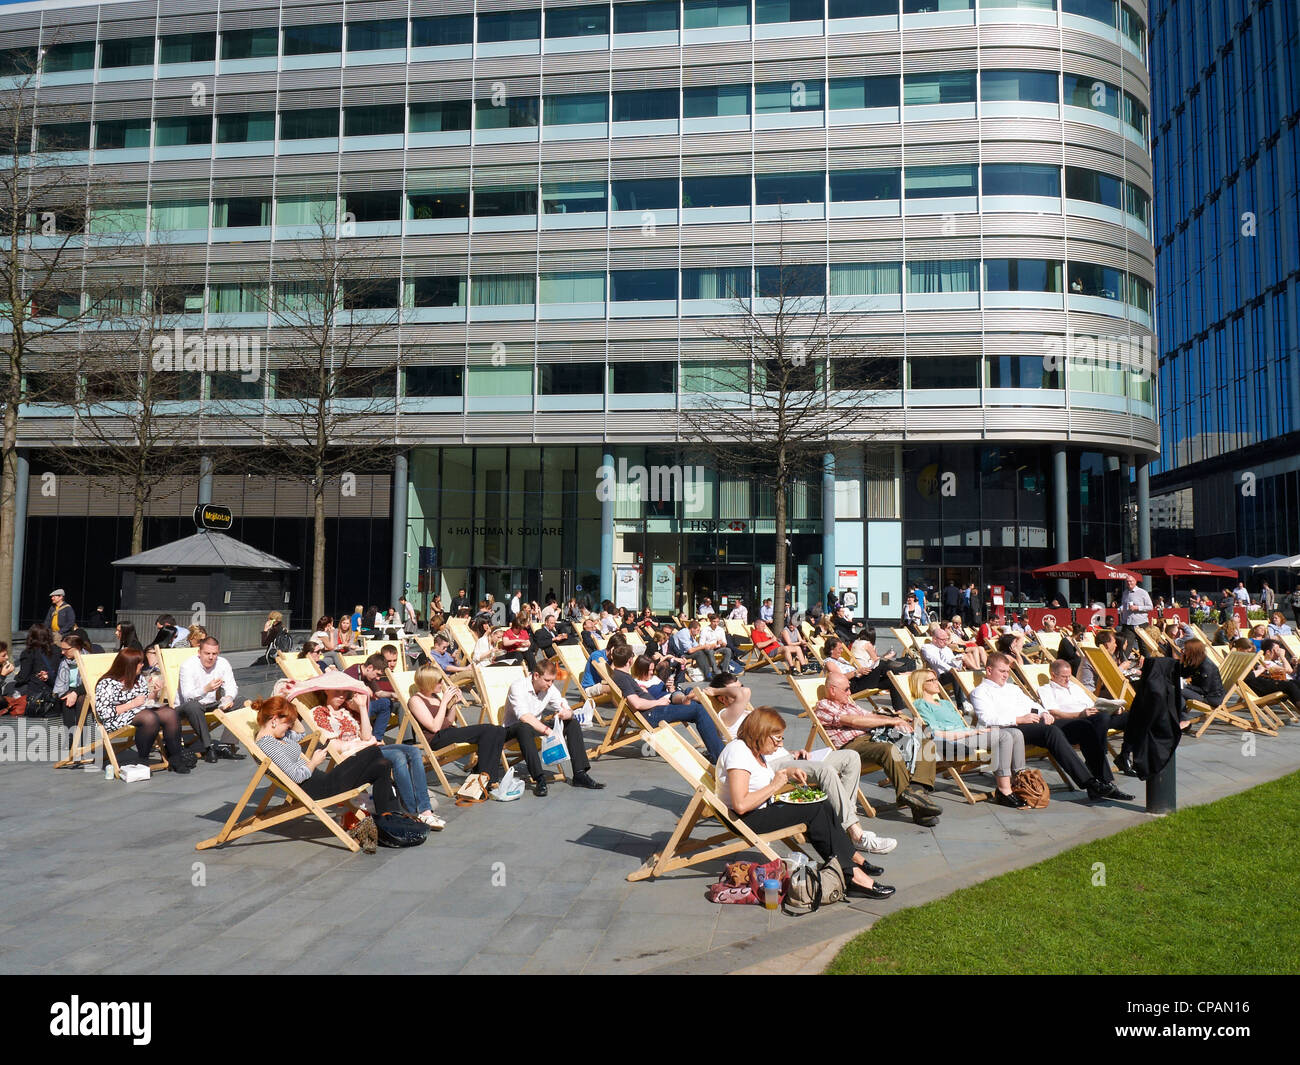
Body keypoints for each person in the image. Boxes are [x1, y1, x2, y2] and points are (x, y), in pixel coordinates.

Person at [718, 709, 894, 899]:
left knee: (822, 803)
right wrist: (776, 784)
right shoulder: (739, 754)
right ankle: (854, 875)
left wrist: (788, 771)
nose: (780, 745)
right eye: (777, 739)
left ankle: (851, 861)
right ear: (760, 733)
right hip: (746, 819)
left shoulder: (753, 750)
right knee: (815, 810)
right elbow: (741, 804)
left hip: (759, 810)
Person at [252, 696, 402, 852]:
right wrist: (314, 762)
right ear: (274, 719)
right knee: (372, 751)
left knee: (383, 765)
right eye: (288, 724)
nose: (289, 728)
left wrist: (288, 704)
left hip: (324, 780)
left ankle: (387, 817)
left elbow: (300, 733)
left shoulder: (279, 736)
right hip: (321, 788)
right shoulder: (267, 744)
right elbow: (295, 776)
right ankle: (387, 820)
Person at [970, 653, 1124, 801]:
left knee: (1084, 726)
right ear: (989, 670)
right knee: (1051, 731)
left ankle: (1105, 781)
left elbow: (1032, 704)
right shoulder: (980, 692)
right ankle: (1090, 783)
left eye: (1007, 671)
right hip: (1011, 729)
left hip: (1034, 724)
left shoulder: (1012, 688)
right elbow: (987, 718)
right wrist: (1020, 718)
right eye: (1002, 671)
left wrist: (1044, 713)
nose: (1006, 675)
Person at [308, 682, 444, 829]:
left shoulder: (347, 711)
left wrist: (361, 707)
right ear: (326, 690)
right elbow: (335, 746)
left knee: (414, 751)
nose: (341, 696)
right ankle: (413, 811)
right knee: (398, 756)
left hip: (369, 748)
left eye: (343, 692)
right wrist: (365, 744)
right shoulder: (319, 713)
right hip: (357, 755)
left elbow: (367, 736)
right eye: (337, 692)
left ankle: (424, 810)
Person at [813, 668, 941, 823]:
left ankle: (916, 790)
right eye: (846, 689)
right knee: (888, 750)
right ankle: (917, 806)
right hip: (852, 747)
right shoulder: (823, 707)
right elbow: (853, 721)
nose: (849, 693)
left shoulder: (849, 704)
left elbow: (871, 716)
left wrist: (898, 721)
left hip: (873, 738)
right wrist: (891, 721)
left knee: (925, 744)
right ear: (832, 690)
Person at [910, 669, 1027, 808]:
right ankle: (1004, 790)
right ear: (921, 684)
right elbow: (935, 733)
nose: (937, 683)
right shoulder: (921, 704)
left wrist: (973, 732)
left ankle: (1021, 781)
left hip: (968, 734)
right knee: (1004, 736)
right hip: (954, 741)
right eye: (932, 680)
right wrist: (971, 733)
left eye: (936, 679)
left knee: (1015, 732)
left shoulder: (946, 703)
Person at [503, 659, 603, 795]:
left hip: (536, 726)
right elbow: (524, 716)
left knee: (572, 723)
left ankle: (580, 773)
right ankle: (539, 779)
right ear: (536, 676)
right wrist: (547, 730)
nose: (550, 684)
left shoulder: (548, 687)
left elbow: (561, 703)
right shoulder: (518, 687)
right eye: (547, 680)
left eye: (552, 681)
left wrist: (567, 713)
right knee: (524, 727)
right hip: (513, 729)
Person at [607, 645, 724, 761]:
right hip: (652, 713)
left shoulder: (619, 674)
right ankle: (719, 755)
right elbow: (636, 704)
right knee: (699, 710)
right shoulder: (622, 677)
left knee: (697, 706)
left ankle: (717, 750)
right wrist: (658, 702)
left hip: (653, 709)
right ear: (630, 660)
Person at [405, 664, 509, 791]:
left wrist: (454, 703)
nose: (441, 683)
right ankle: (484, 780)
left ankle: (484, 776)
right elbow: (434, 727)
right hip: (437, 739)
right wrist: (444, 702)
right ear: (429, 682)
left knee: (498, 730)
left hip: (449, 732)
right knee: (488, 729)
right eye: (438, 681)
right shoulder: (416, 700)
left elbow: (449, 721)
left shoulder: (434, 696)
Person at [1035, 659, 1131, 795]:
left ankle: (1124, 756)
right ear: (1053, 675)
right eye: (1064, 677)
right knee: (1101, 719)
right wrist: (1079, 714)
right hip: (1073, 723)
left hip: (1094, 719)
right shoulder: (1046, 690)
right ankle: (1101, 767)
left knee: (1130, 716)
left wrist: (1112, 709)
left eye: (1069, 676)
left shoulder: (1075, 687)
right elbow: (1054, 713)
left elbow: (1093, 705)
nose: (1068, 680)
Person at [95, 647, 190, 772]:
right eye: (139, 663)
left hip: (139, 711)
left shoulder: (138, 679)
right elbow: (104, 713)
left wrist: (155, 692)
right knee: (150, 718)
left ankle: (175, 757)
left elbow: (145, 700)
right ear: (129, 665)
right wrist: (132, 704)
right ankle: (143, 760)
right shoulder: (107, 683)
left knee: (170, 713)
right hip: (115, 718)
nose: (142, 665)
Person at [175, 637, 240, 763]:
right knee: (194, 705)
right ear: (199, 653)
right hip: (186, 708)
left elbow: (232, 686)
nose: (211, 657)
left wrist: (229, 697)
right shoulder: (188, 666)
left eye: (214, 654)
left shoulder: (223, 663)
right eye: (207, 653)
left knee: (241, 702)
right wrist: (206, 689)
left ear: (218, 653)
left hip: (210, 704)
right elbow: (187, 696)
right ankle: (208, 747)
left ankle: (225, 744)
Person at [343, 653, 395, 735]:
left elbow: (379, 692)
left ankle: (377, 738)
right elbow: (349, 698)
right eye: (377, 674)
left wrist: (392, 695)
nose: (378, 678)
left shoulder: (367, 674)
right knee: (368, 703)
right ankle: (368, 735)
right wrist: (363, 689)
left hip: (362, 705)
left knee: (386, 703)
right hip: (349, 708)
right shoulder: (352, 674)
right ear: (370, 667)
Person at [15, 625, 59, 706]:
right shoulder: (57, 650)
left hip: (36, 693)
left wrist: (16, 677)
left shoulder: (29, 652)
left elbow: (23, 676)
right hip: (55, 691)